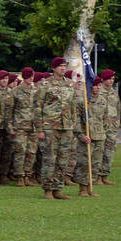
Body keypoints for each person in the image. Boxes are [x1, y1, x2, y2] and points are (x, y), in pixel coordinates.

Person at [34, 58, 79, 199]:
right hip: (50, 127)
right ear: (53, 68)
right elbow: (37, 107)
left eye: (64, 66)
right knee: (49, 159)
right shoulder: (45, 84)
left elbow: (72, 107)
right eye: (60, 66)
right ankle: (48, 189)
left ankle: (58, 189)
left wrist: (72, 126)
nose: (62, 68)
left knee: (63, 159)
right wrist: (39, 129)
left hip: (66, 127)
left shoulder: (69, 85)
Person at [98, 69, 119, 185]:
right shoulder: (97, 91)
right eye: (109, 78)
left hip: (112, 126)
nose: (111, 80)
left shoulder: (114, 92)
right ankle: (97, 176)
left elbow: (118, 109)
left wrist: (117, 123)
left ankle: (105, 175)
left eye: (112, 79)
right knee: (99, 151)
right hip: (100, 126)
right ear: (103, 79)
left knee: (109, 151)